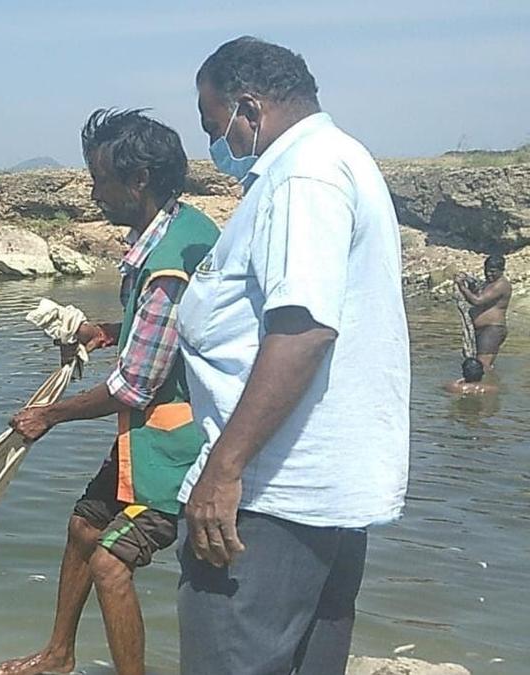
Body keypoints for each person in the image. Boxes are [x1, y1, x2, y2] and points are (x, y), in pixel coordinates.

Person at [174, 37, 410, 674]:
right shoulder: (339, 159)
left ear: (247, 107)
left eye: (212, 124)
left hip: (269, 499)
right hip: (319, 493)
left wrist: (224, 469)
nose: (212, 144)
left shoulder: (303, 174)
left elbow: (303, 332)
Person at [0, 109, 220, 675]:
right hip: (147, 441)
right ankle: (58, 656)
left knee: (109, 563)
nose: (93, 192)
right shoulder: (181, 228)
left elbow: (133, 386)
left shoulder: (168, 265)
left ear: (138, 180)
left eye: (100, 179)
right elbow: (163, 329)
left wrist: (49, 415)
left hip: (179, 452)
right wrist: (108, 331)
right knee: (83, 525)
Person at [456, 255, 511, 370]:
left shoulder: (501, 285)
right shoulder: (489, 283)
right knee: (477, 365)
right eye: (486, 271)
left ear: (502, 270)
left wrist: (461, 286)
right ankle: (487, 383)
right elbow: (478, 294)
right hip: (483, 330)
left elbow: (477, 301)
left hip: (492, 330)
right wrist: (469, 283)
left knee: (482, 367)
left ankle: (487, 387)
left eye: (492, 272)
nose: (488, 274)